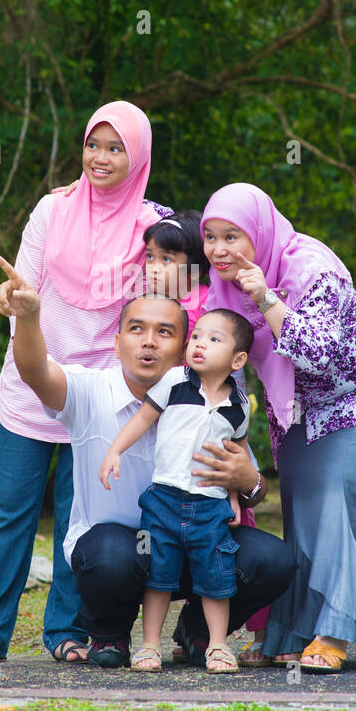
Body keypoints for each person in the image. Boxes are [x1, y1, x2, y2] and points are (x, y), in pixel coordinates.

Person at [0, 100, 165, 666]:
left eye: (116, 148)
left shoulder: (151, 224)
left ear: (137, 158)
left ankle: (67, 631)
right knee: (12, 510)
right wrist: (12, 300)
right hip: (33, 381)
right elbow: (22, 286)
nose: (101, 158)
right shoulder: (51, 210)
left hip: (98, 395)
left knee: (77, 517)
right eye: (93, 145)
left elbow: (176, 294)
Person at [0, 253, 295, 669]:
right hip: (120, 553)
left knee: (273, 560)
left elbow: (250, 490)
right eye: (136, 329)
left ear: (185, 350)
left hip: (194, 548)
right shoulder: (89, 391)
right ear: (117, 343)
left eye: (165, 332)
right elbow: (35, 372)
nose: (149, 341)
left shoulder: (215, 401)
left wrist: (250, 481)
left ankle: (197, 632)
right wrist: (28, 317)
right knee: (112, 550)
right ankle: (110, 634)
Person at [201, 182, 356, 673]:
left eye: (232, 236)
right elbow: (227, 369)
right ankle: (290, 631)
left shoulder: (311, 268)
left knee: (335, 489)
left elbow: (316, 354)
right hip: (304, 406)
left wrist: (264, 298)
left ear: (258, 232)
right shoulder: (220, 289)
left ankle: (335, 630)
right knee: (300, 501)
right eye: (211, 237)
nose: (219, 250)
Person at [140, 210, 272, 661]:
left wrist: (243, 483)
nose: (154, 267)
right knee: (163, 548)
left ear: (195, 265)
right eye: (149, 257)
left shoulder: (205, 308)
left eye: (167, 258)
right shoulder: (150, 307)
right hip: (168, 456)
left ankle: (250, 634)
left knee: (233, 531)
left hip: (214, 432)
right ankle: (159, 637)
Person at [98, 309, 256, 673]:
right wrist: (114, 450)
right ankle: (150, 645)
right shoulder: (174, 382)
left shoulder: (239, 406)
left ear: (238, 359)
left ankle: (217, 646)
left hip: (211, 507)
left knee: (217, 576)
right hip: (164, 499)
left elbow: (237, 455)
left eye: (214, 340)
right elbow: (142, 418)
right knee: (159, 574)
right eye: (196, 336)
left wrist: (233, 499)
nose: (199, 344)